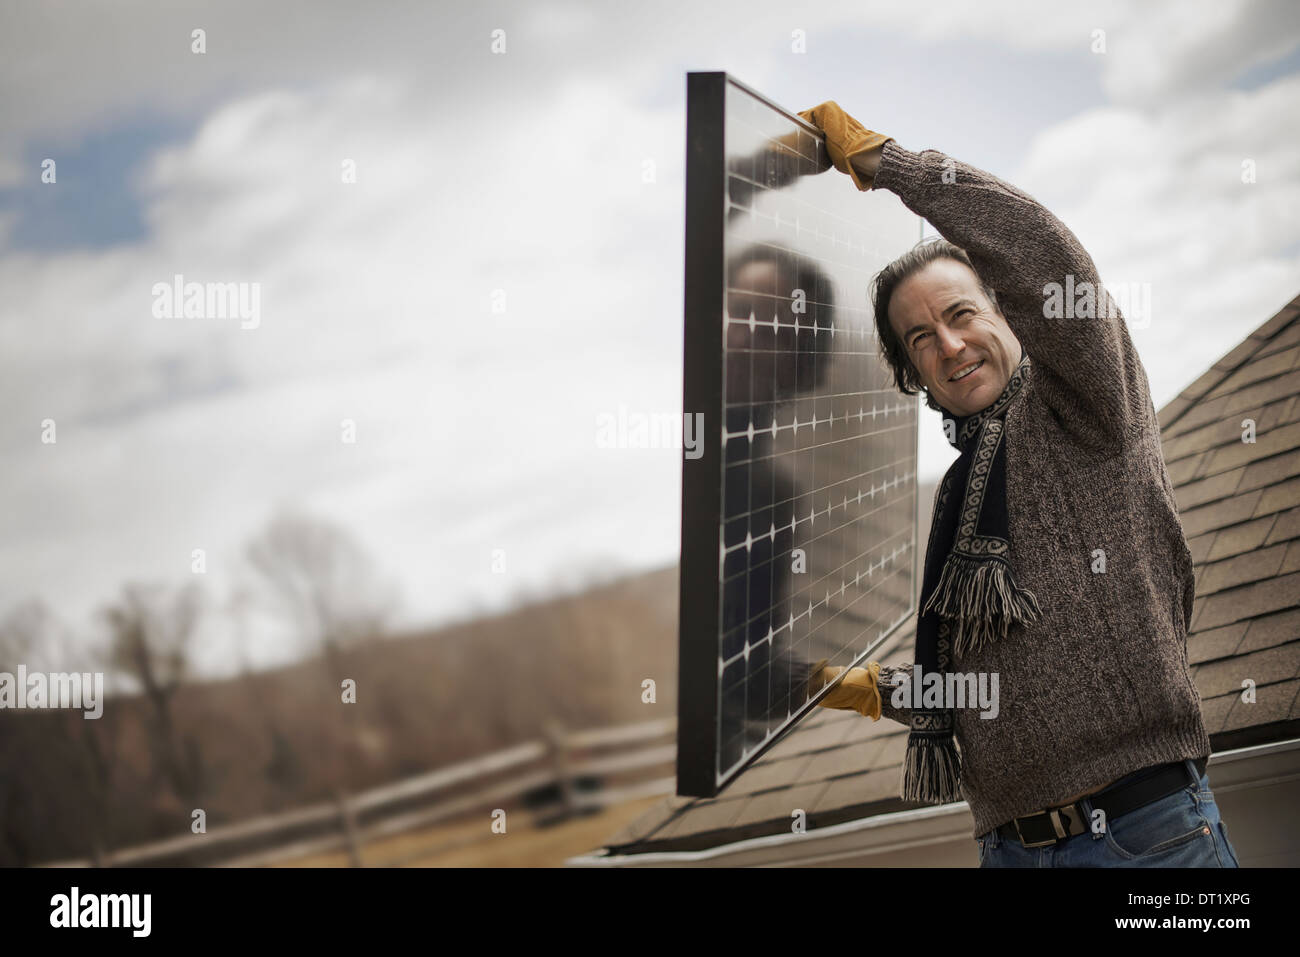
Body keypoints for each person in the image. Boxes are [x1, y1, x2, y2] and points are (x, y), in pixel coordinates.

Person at [799, 101, 1240, 868]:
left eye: (961, 312)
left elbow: (1048, 254)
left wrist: (893, 163)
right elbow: (988, 697)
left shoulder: (1087, 403)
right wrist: (870, 690)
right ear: (914, 375)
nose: (950, 344)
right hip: (1009, 851)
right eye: (920, 339)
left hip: (1148, 835)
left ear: (1006, 309)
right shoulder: (960, 497)